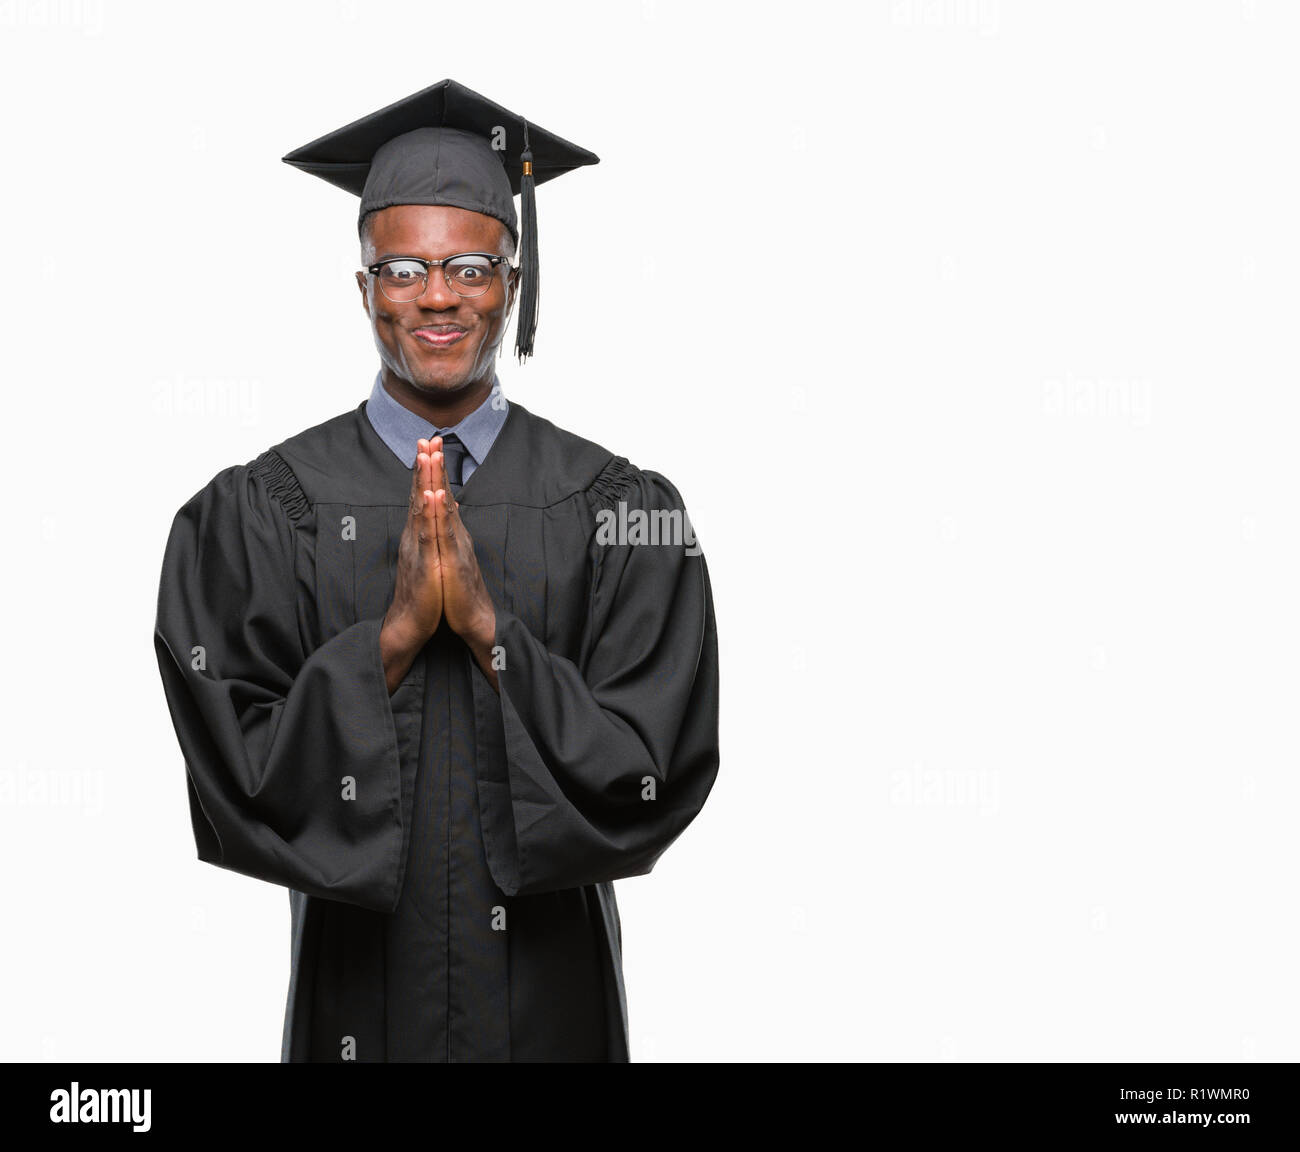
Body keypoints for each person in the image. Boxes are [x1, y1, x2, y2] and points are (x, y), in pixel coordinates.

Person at [152, 79, 721, 1062]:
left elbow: (654, 771)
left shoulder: (621, 508)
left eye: (469, 265)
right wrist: (394, 639)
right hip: (355, 1009)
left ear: (511, 276)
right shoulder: (261, 509)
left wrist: (495, 636)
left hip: (557, 1011)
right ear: (364, 286)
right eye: (403, 269)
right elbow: (234, 770)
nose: (438, 296)